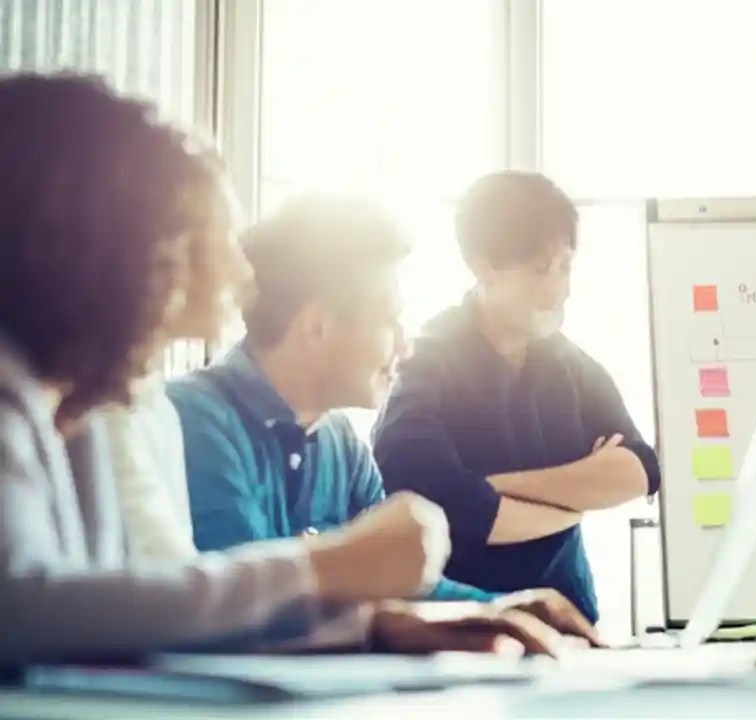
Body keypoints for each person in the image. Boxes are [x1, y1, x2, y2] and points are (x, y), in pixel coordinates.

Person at [0, 73, 583, 664]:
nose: (240, 273)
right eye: (200, 242)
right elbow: (26, 609)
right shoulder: (152, 413)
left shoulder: (111, 408)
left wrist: (415, 617)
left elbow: (145, 609)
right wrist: (326, 567)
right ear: (113, 247)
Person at [372, 171, 662, 622]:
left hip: (569, 617)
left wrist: (495, 487)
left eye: (565, 267)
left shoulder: (567, 362)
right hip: (462, 626)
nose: (557, 288)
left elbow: (640, 469)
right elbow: (431, 495)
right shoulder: (428, 358)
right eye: (540, 270)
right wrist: (575, 503)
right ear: (483, 265)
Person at [98, 152, 244, 563]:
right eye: (227, 242)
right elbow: (169, 577)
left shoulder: (154, 402)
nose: (243, 272)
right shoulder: (96, 409)